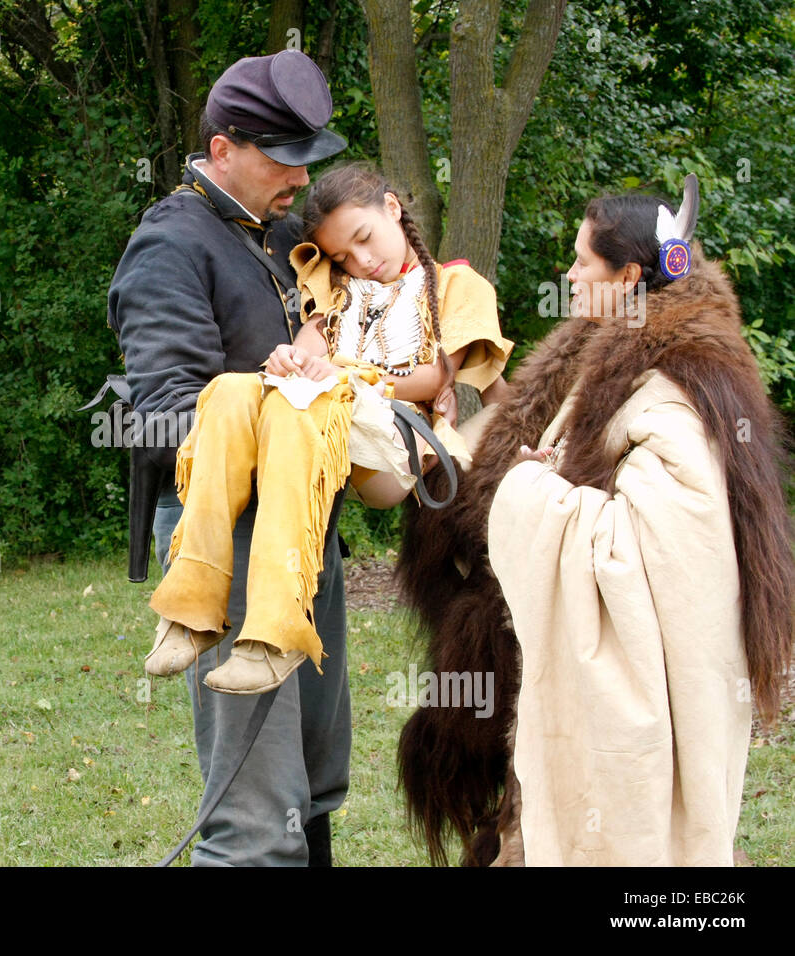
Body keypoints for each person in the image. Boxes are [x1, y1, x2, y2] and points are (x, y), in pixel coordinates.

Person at [401, 174, 795, 866]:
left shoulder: (677, 381)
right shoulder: (609, 354)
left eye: (584, 261)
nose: (570, 274)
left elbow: (663, 550)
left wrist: (530, 492)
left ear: (631, 275)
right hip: (559, 677)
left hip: (643, 691)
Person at [107, 49, 348, 866]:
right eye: (283, 160)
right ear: (221, 150)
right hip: (233, 548)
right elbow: (170, 415)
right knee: (252, 826)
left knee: (313, 792)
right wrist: (277, 390)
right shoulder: (169, 246)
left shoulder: (282, 236)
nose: (298, 179)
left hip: (307, 538)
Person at [145, 163, 513, 696]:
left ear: (393, 208)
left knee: (301, 407)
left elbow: (435, 375)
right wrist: (289, 360)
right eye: (342, 256)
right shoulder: (344, 290)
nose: (362, 261)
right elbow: (310, 349)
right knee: (228, 391)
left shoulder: (454, 283)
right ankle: (192, 602)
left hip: (397, 443)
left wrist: (341, 374)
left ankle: (278, 629)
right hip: (333, 418)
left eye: (364, 239)